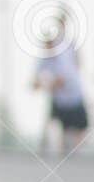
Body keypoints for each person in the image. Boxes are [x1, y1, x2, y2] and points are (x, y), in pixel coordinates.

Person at [33, 12, 90, 154]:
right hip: (59, 100)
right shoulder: (45, 57)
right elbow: (36, 80)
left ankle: (73, 150)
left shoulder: (64, 51)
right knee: (55, 123)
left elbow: (63, 79)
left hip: (74, 96)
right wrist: (38, 83)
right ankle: (50, 148)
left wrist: (48, 84)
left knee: (79, 128)